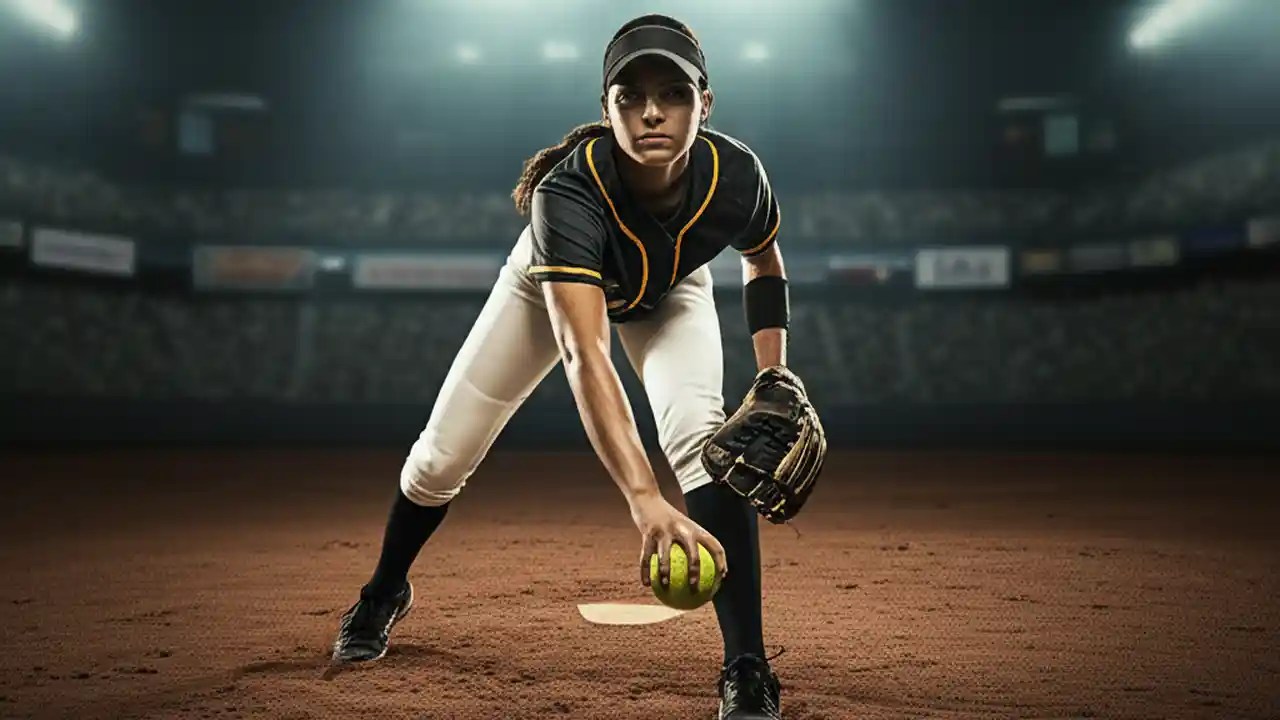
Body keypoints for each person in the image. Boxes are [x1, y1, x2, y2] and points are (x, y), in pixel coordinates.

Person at [331, 14, 809, 719]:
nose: (652, 110)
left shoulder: (736, 176)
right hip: (546, 289)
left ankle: (747, 668)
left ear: (705, 104)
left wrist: (774, 375)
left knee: (704, 441)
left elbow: (764, 261)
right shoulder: (568, 193)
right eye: (630, 95)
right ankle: (382, 593)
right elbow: (587, 355)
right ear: (606, 109)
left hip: (671, 287)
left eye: (673, 93)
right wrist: (644, 500)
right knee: (439, 459)